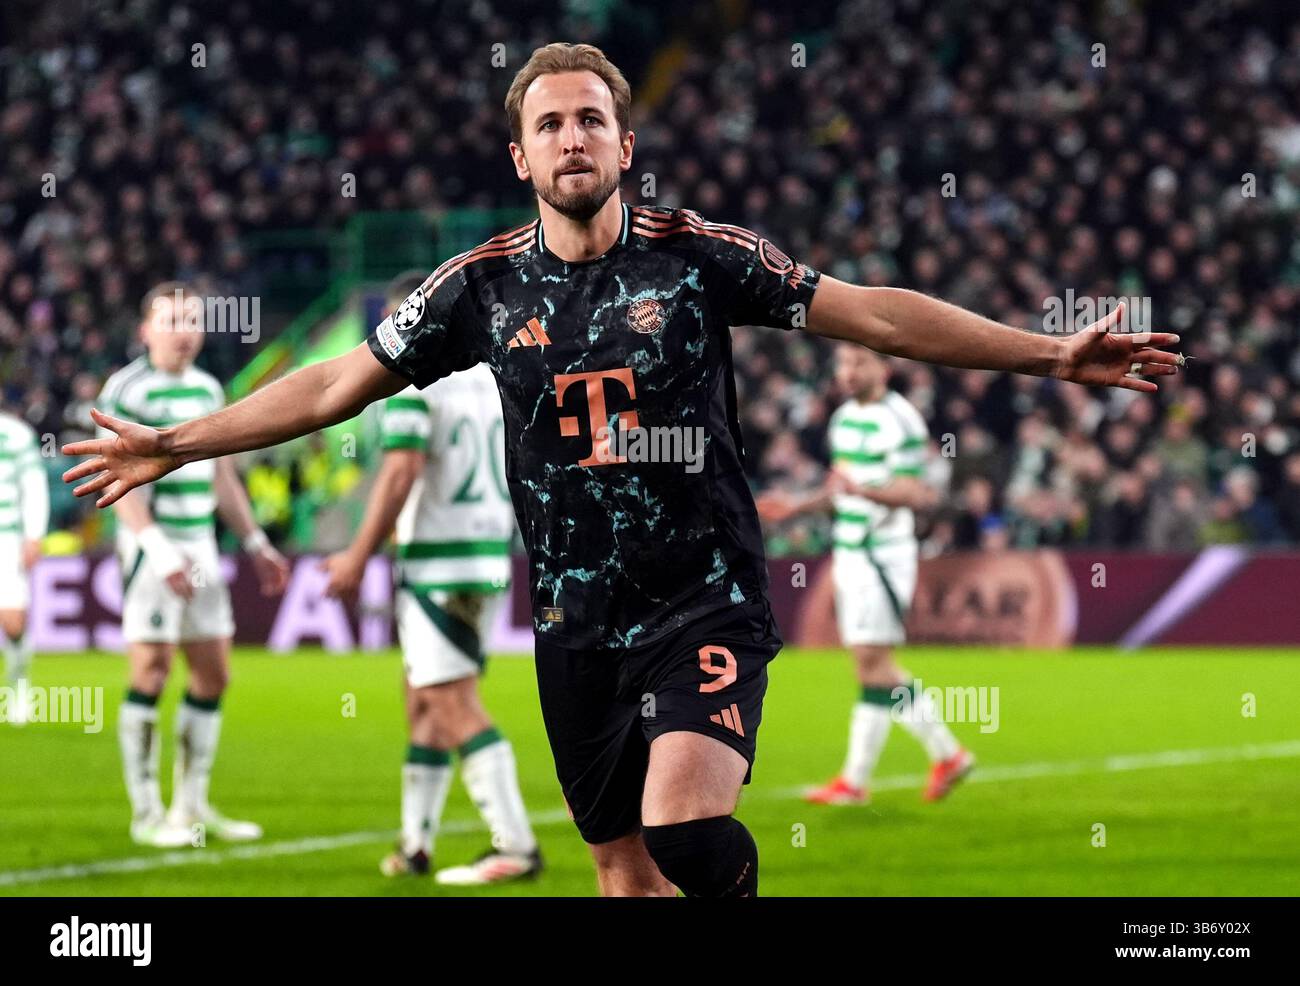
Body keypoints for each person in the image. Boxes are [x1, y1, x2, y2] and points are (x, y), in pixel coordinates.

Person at [64, 43, 1182, 895]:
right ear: (521, 157)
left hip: (704, 595)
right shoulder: (477, 290)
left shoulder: (701, 256)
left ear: (623, 143)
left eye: (590, 119)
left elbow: (874, 317)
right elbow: (326, 386)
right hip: (572, 621)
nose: (570, 139)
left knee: (690, 829)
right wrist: (170, 443)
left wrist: (1048, 352)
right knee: (621, 875)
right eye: (547, 124)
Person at [321, 273, 541, 885]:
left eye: (397, 320)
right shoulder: (491, 378)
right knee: (425, 699)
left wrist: (357, 556)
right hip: (486, 559)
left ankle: (516, 847)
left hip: (438, 565)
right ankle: (416, 844)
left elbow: (399, 473)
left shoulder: (413, 380)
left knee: (451, 702)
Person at [96, 283, 289, 847]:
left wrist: (255, 543)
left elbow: (222, 476)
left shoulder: (208, 388)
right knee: (150, 673)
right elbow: (117, 474)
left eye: (192, 320)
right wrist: (154, 547)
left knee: (213, 674)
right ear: (145, 330)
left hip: (202, 548)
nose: (184, 331)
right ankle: (146, 813)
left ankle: (191, 807)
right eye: (171, 320)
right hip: (151, 549)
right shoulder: (128, 390)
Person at [758, 344, 973, 805]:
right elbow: (839, 489)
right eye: (842, 362)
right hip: (850, 551)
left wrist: (867, 491)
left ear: (884, 366)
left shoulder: (902, 419)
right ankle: (939, 756)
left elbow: (917, 493)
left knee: (872, 664)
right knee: (873, 667)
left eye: (859, 361)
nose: (848, 371)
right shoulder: (841, 420)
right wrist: (797, 506)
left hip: (883, 555)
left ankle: (867, 778)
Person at [0, 409, 49, 725]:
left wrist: (34, 535)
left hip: (7, 538)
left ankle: (19, 686)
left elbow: (34, 486)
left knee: (13, 623)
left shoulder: (15, 433)